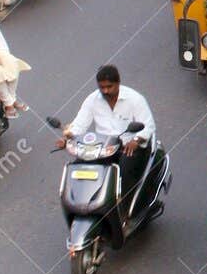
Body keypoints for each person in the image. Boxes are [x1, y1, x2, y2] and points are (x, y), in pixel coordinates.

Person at [57, 64, 155, 202]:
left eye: (109, 87)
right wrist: (68, 137)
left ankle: (125, 207)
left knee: (123, 174)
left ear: (118, 83)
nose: (105, 91)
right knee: (80, 169)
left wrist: (136, 140)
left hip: (129, 146)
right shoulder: (92, 100)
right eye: (102, 87)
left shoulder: (135, 99)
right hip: (104, 147)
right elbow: (79, 125)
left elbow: (148, 126)